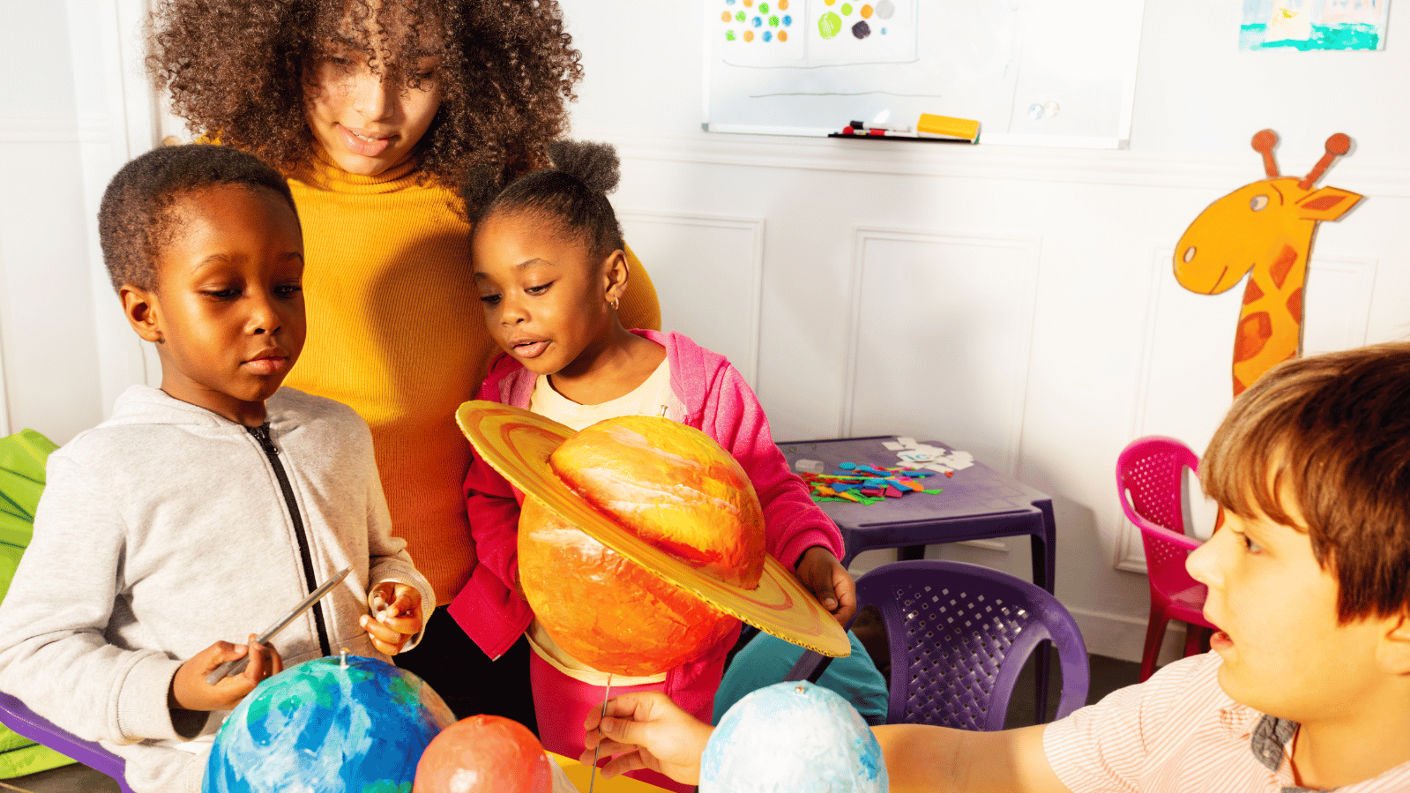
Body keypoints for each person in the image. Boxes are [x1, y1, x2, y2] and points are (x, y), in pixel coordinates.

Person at [144, 0, 663, 724]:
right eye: (341, 61)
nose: (377, 108)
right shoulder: (222, 188)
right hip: (284, 626)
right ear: (278, 47)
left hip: (463, 614)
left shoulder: (498, 192)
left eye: (419, 73)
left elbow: (630, 314)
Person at [580, 341, 1410, 792]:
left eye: (1256, 544)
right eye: (1218, 526)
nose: (1199, 557)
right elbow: (979, 765)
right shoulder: (1199, 703)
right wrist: (730, 755)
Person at [0, 145, 433, 793]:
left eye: (287, 286)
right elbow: (28, 651)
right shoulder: (103, 469)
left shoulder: (338, 431)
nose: (267, 315)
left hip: (375, 752)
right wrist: (172, 687)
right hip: (210, 774)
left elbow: (384, 558)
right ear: (145, 311)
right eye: (223, 291)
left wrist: (403, 598)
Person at [453, 140, 856, 789]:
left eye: (535, 286)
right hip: (562, 663)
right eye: (491, 297)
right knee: (576, 777)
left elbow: (764, 487)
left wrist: (808, 550)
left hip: (677, 670)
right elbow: (490, 500)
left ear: (612, 278)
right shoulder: (508, 395)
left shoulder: (698, 387)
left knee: (663, 779)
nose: (513, 314)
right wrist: (532, 579)